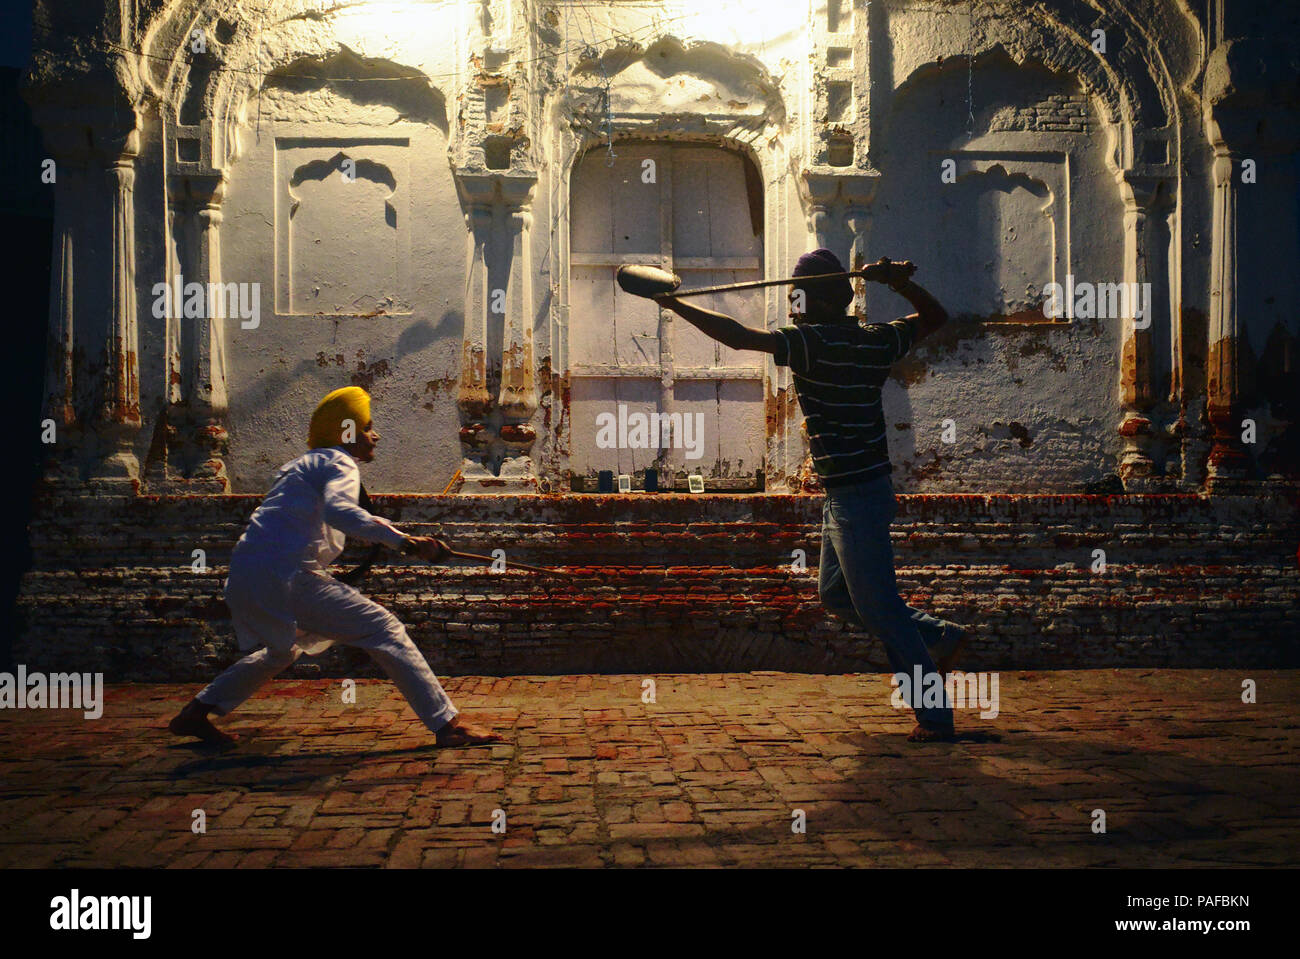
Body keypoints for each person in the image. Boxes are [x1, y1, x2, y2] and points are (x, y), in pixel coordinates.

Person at [658, 249, 971, 742]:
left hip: (855, 497)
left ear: (819, 300)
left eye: (797, 295)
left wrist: (676, 305)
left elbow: (738, 337)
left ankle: (935, 717)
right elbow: (935, 317)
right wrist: (897, 284)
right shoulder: (875, 339)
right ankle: (939, 635)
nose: (791, 303)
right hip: (853, 492)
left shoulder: (811, 343)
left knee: (882, 611)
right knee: (835, 596)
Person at [168, 386, 502, 749]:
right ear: (348, 431)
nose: (376, 435)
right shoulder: (339, 461)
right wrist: (407, 543)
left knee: (283, 651)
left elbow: (336, 514)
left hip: (248, 576)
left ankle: (196, 713)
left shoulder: (301, 465)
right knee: (384, 627)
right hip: (287, 576)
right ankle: (447, 724)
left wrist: (404, 538)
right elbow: (340, 512)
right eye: (368, 426)